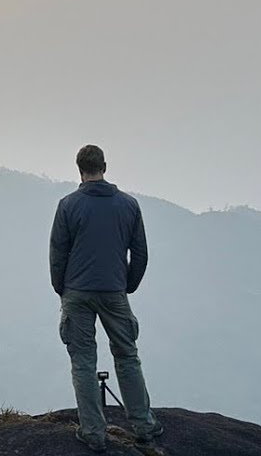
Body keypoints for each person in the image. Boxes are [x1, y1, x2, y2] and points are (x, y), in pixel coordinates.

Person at [49, 144, 162, 451]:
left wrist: (62, 289)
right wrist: (127, 285)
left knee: (83, 361)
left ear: (79, 168)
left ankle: (93, 433)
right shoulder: (129, 205)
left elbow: (58, 253)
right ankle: (143, 425)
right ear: (105, 166)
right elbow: (140, 253)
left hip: (77, 292)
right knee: (127, 355)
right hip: (114, 291)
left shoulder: (68, 205)